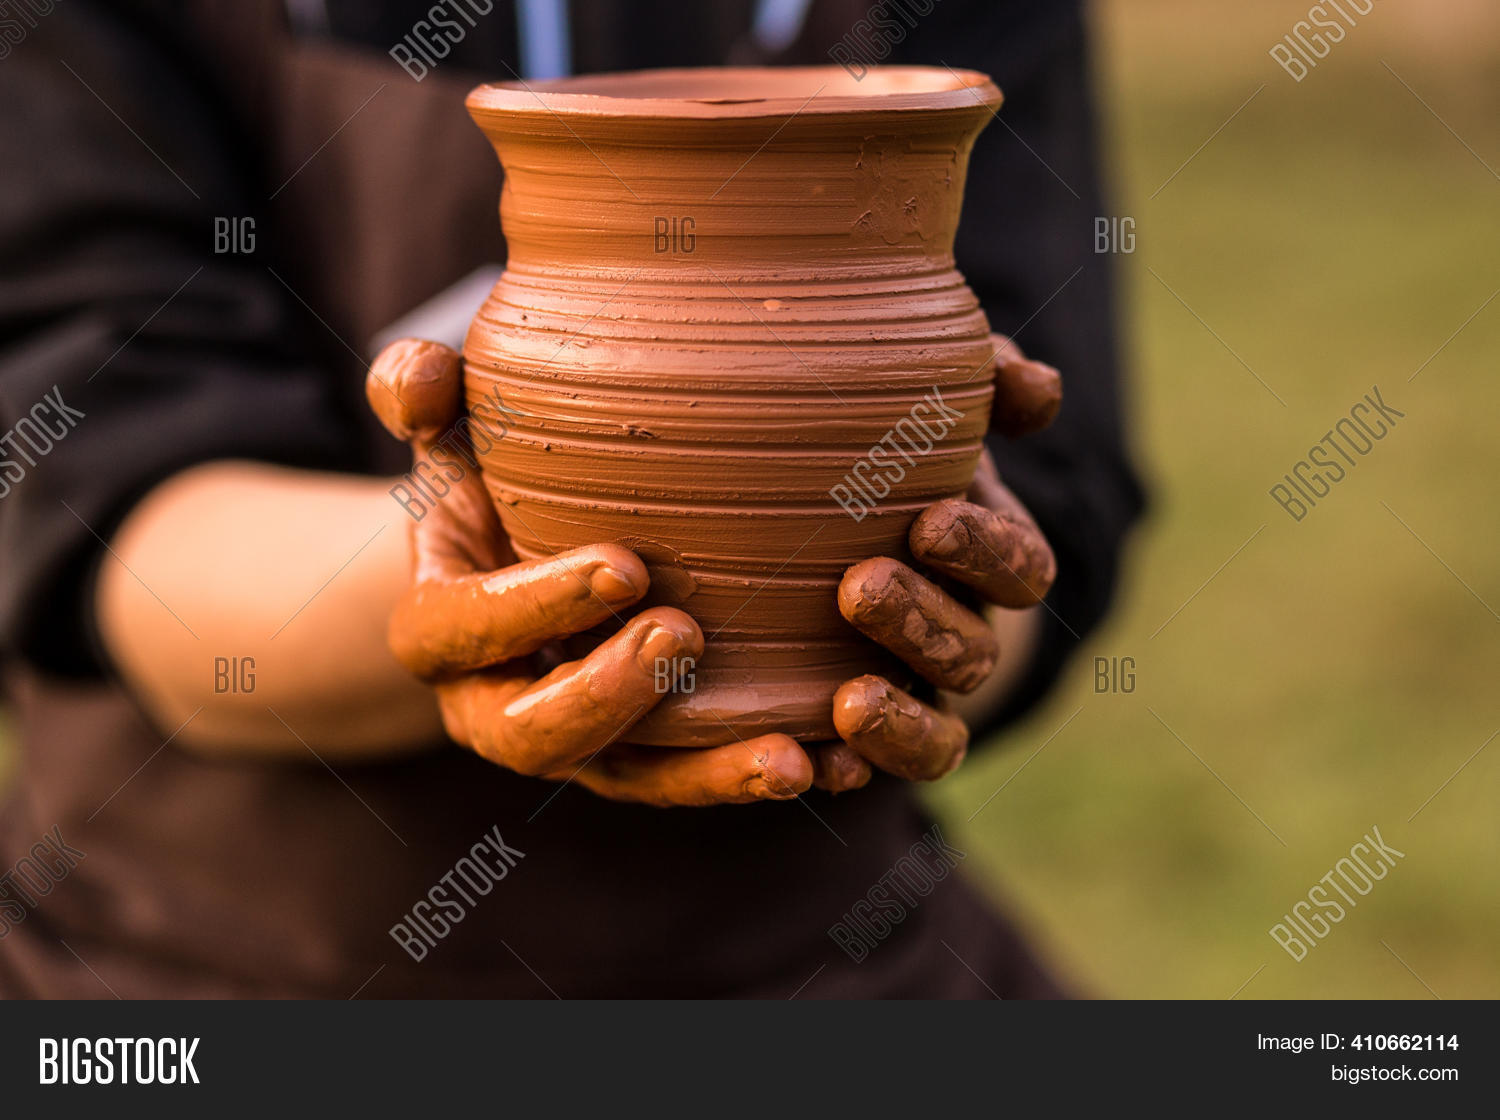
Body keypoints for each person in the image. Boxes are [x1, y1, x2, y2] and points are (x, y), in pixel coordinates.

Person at [0, 0, 1143, 997]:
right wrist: (476, 587)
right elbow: (97, 480)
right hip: (207, 966)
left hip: (816, 960)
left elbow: (1049, 480)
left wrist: (926, 626)